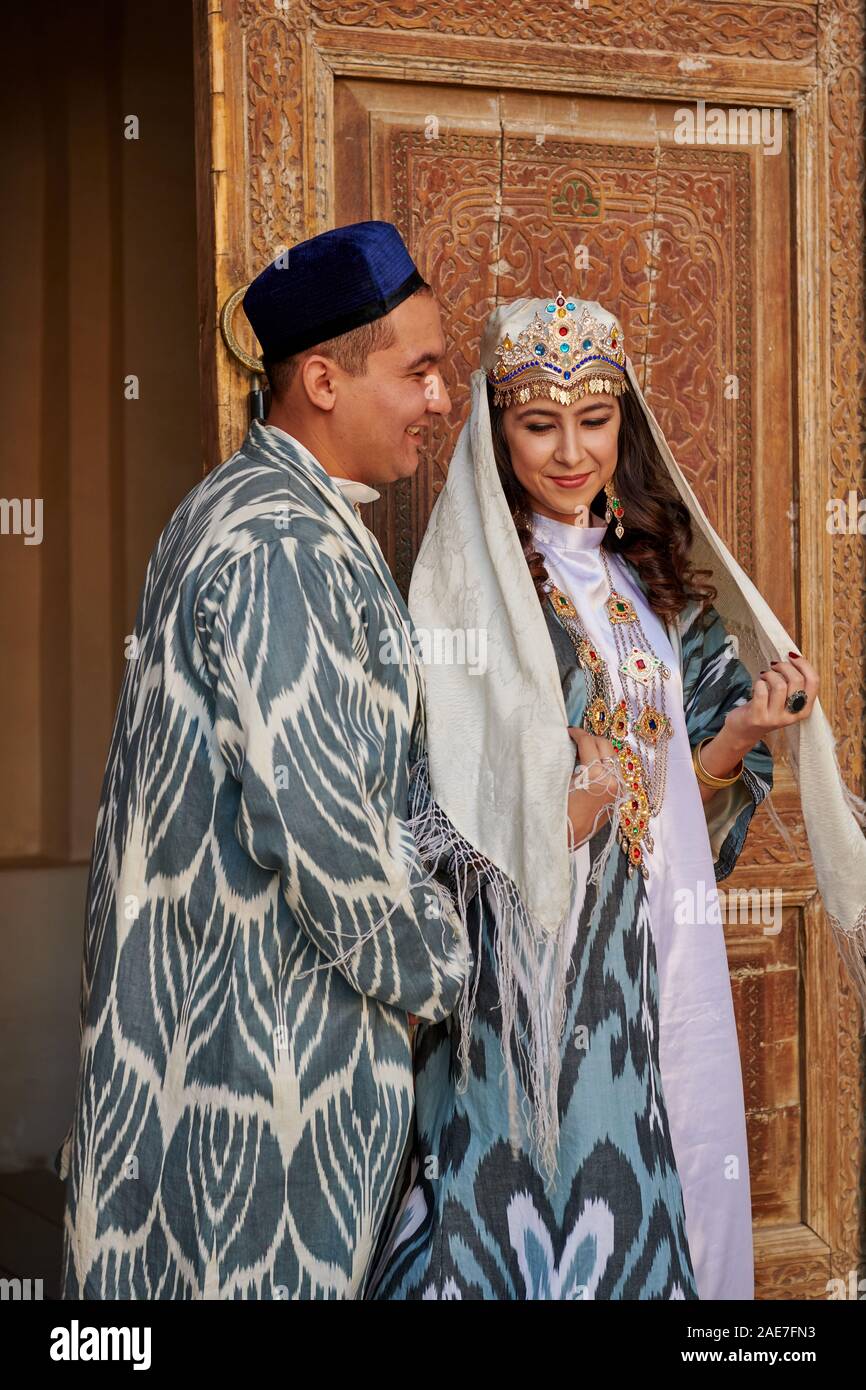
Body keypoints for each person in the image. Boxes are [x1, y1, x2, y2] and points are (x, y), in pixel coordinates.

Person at [365, 292, 866, 1301]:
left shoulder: (651, 581)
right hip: (541, 975)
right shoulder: (467, 600)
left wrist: (736, 732)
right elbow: (418, 815)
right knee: (557, 1202)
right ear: (495, 427)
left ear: (622, 422)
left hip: (667, 944)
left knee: (682, 1165)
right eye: (536, 422)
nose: (568, 451)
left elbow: (686, 801)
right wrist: (552, 808)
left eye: (593, 420)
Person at [55, 221, 470, 1299]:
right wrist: (445, 968)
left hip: (234, 1037)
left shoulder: (255, 510)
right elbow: (325, 829)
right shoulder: (281, 542)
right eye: (418, 371)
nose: (440, 399)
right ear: (322, 379)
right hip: (275, 1063)